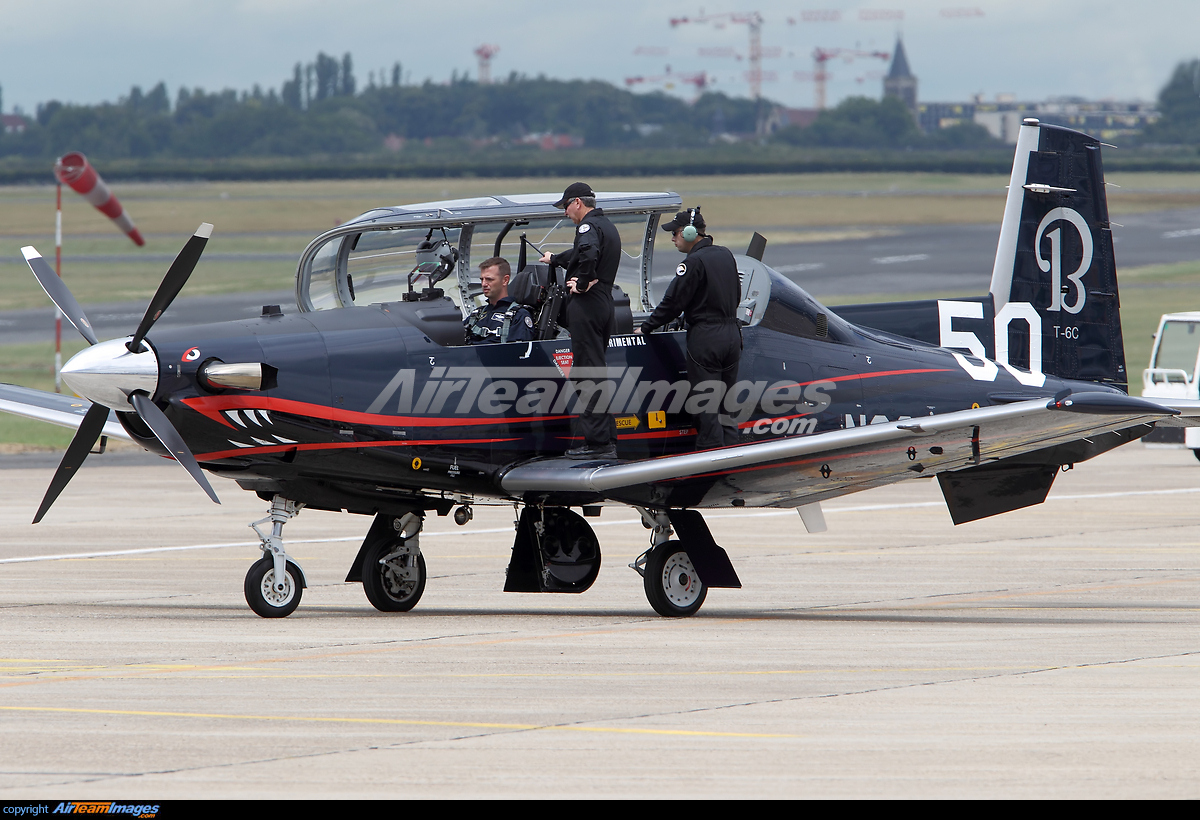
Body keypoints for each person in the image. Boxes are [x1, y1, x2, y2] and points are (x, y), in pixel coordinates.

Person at [635, 207, 742, 450]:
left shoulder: (692, 262)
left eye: (674, 234)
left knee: (706, 404)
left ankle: (710, 460)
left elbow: (672, 304)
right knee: (726, 405)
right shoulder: (726, 254)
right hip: (732, 336)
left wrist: (647, 327)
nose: (672, 239)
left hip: (707, 339)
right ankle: (733, 456)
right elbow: (736, 295)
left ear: (689, 233)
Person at [539, 182, 621, 459]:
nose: (565, 213)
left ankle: (597, 443)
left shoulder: (586, 227)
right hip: (604, 302)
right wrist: (556, 259)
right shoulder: (606, 225)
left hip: (588, 304)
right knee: (596, 368)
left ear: (577, 202)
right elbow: (579, 254)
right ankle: (607, 437)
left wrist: (583, 282)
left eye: (565, 206)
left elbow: (587, 253)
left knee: (587, 373)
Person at [463, 257, 535, 345]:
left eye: (489, 279)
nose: (484, 284)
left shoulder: (518, 316)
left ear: (505, 280)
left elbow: (518, 353)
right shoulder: (477, 314)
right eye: (482, 279)